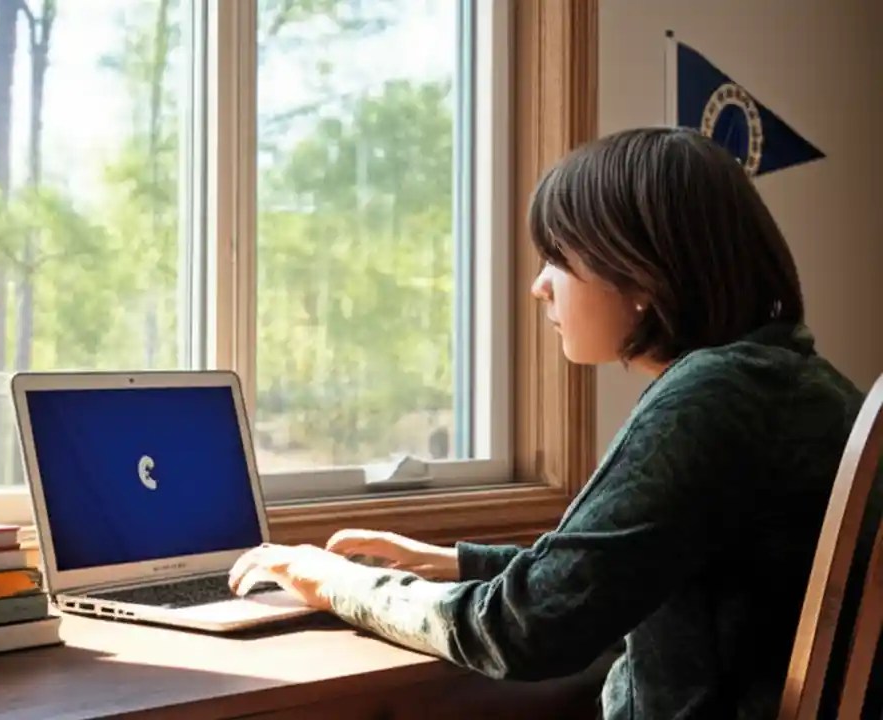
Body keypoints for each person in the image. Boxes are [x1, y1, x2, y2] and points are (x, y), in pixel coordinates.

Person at [228, 126, 866, 719]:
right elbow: (632, 569)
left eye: (558, 257)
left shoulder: (713, 399)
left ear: (640, 272)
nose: (540, 286)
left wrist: (340, 584)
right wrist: (455, 560)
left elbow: (526, 630)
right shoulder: (798, 385)